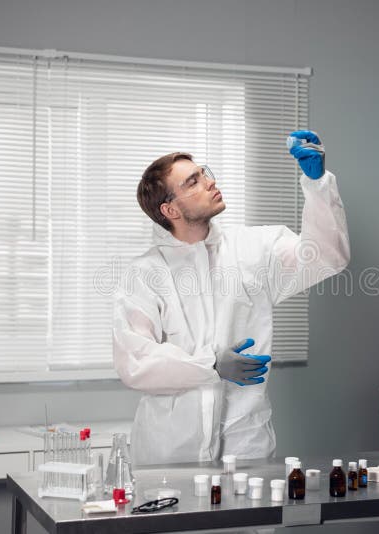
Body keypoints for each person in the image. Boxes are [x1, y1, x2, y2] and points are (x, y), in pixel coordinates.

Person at [112, 131, 350, 465]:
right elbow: (135, 361)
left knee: (248, 518)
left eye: (204, 172)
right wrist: (210, 366)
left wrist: (318, 184)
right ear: (170, 209)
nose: (209, 181)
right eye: (192, 181)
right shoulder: (145, 273)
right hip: (168, 451)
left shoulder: (254, 248)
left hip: (245, 444)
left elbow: (327, 256)